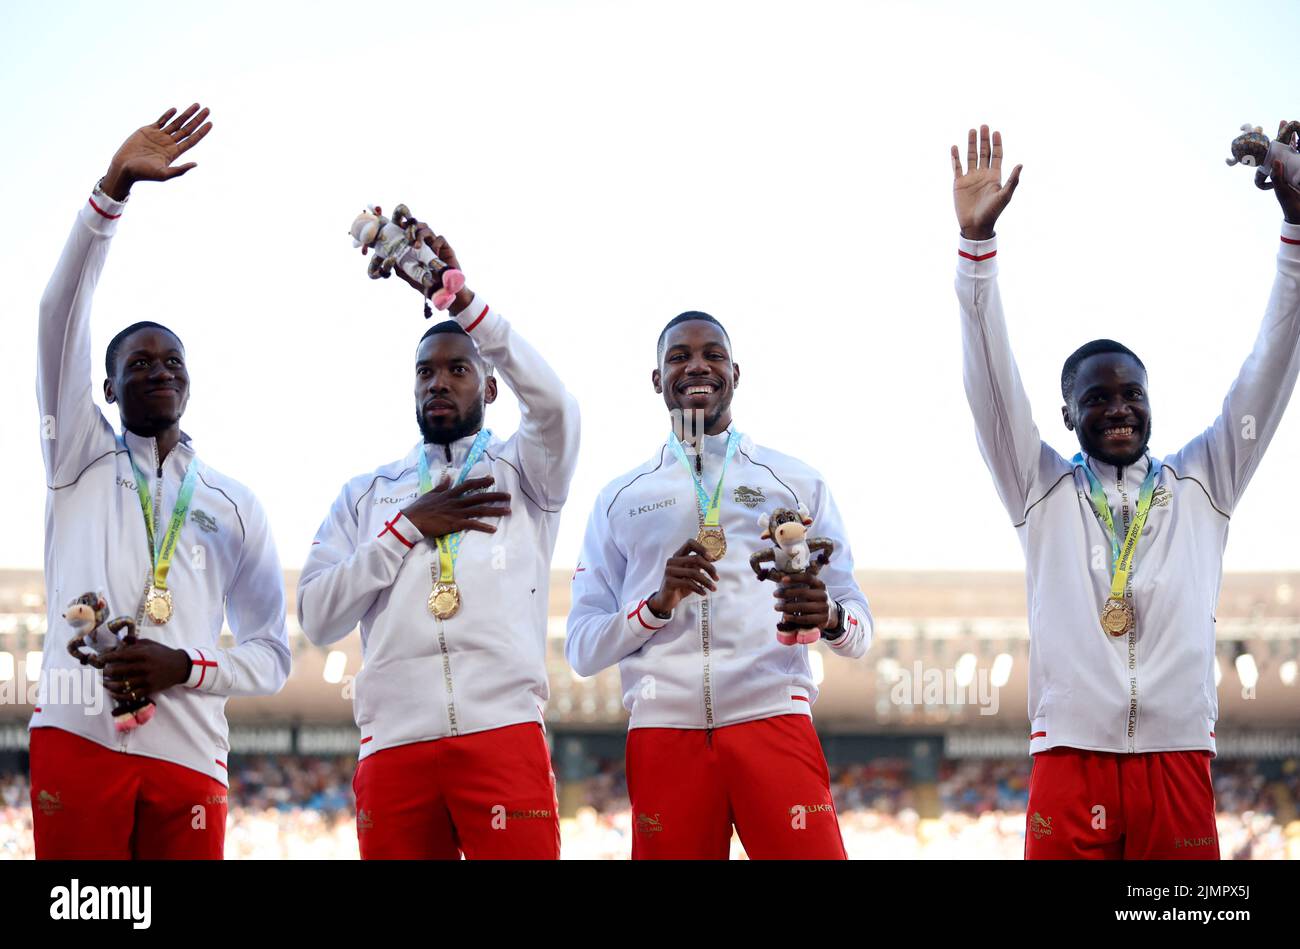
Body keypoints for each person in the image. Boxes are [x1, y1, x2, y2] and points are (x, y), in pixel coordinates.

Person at [951, 124, 1300, 859]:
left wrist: (1297, 233)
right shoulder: (1038, 486)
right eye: (1097, 397)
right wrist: (976, 257)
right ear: (1067, 414)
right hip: (1068, 761)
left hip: (1177, 759)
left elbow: (1269, 372)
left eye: (1131, 393)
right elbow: (990, 386)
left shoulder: (1207, 478)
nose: (1118, 407)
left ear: (1149, 401)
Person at [31, 104, 292, 859]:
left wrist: (186, 665)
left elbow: (271, 653)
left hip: (190, 757)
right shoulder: (77, 456)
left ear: (191, 382)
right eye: (137, 363)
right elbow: (58, 316)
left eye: (171, 361)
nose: (158, 371)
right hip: (79, 736)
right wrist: (111, 192)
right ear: (106, 391)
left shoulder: (232, 502)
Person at [297, 221, 580, 859]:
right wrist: (405, 531)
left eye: (458, 369)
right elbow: (316, 616)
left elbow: (558, 406)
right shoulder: (367, 495)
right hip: (394, 749)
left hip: (502, 735)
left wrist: (465, 303)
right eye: (426, 372)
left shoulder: (527, 470)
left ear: (489, 387)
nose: (439, 383)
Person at [566, 311, 872, 859]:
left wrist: (829, 618)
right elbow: (583, 650)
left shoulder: (796, 480)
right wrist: (655, 607)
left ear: (735, 371)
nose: (697, 366)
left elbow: (860, 631)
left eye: (712, 354)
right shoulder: (620, 497)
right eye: (678, 356)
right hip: (664, 733)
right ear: (657, 379)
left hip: (774, 719)